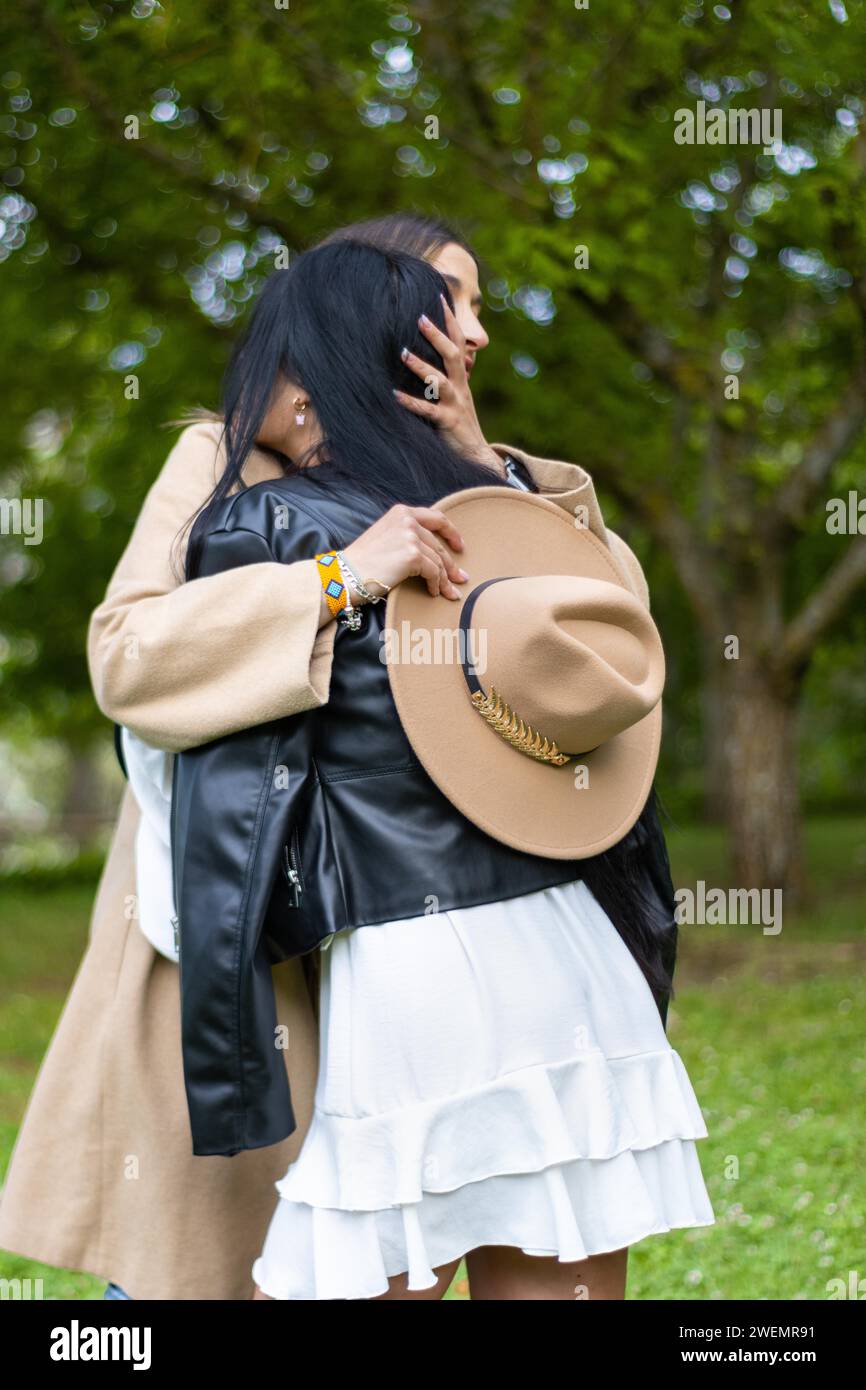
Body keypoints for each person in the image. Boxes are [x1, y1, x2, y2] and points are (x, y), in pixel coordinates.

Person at [0, 213, 666, 1301]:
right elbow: (129, 655)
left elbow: (605, 654)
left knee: (395, 1226)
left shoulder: (482, 473)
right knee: (228, 1242)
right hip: (251, 903)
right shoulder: (221, 469)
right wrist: (333, 577)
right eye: (454, 305)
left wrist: (473, 465)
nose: (473, 337)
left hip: (432, 916)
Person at [166, 238, 715, 1301]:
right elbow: (597, 639)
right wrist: (476, 469)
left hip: (418, 969)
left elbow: (197, 708)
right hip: (571, 947)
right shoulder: (488, 512)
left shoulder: (266, 522)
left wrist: (340, 574)